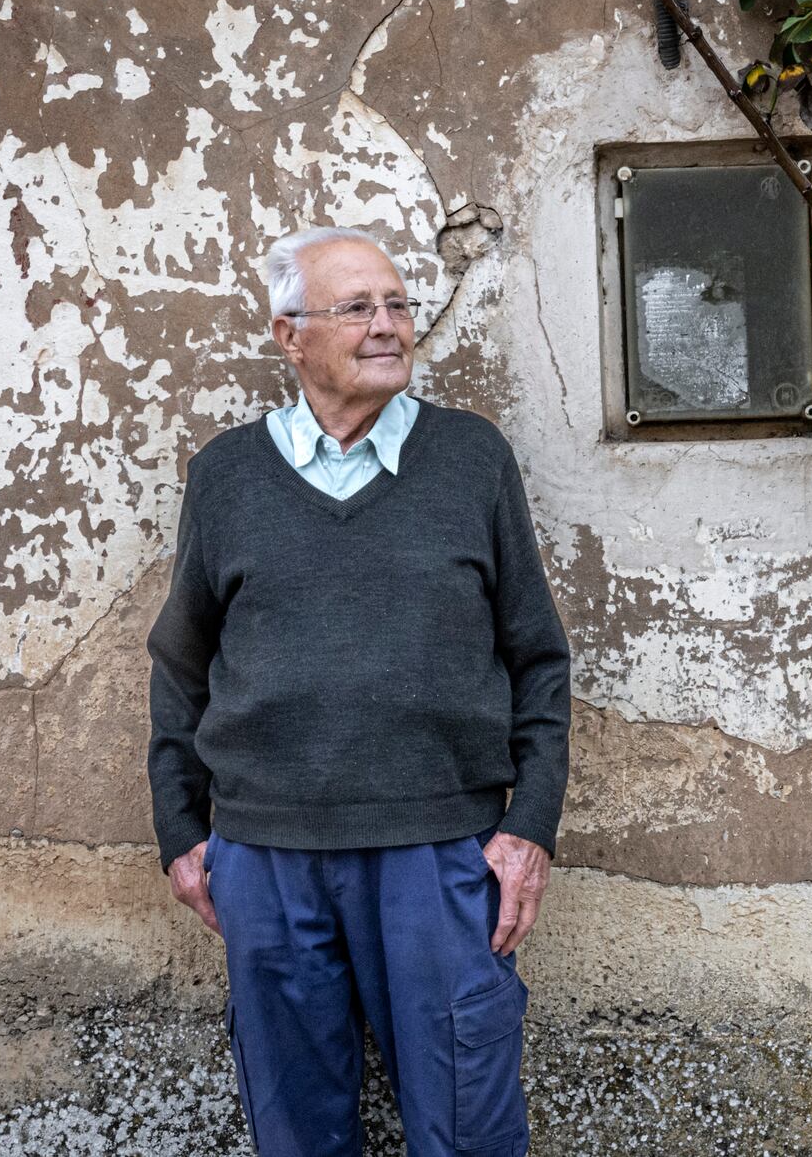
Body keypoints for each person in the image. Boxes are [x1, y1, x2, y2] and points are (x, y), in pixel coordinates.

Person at [145, 225, 571, 1157]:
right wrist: (181, 831)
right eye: (358, 309)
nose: (389, 327)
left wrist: (529, 826)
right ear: (289, 335)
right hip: (264, 855)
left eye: (398, 305)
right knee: (296, 1134)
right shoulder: (227, 477)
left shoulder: (471, 460)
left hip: (439, 856)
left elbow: (538, 659)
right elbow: (181, 665)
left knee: (469, 1128)